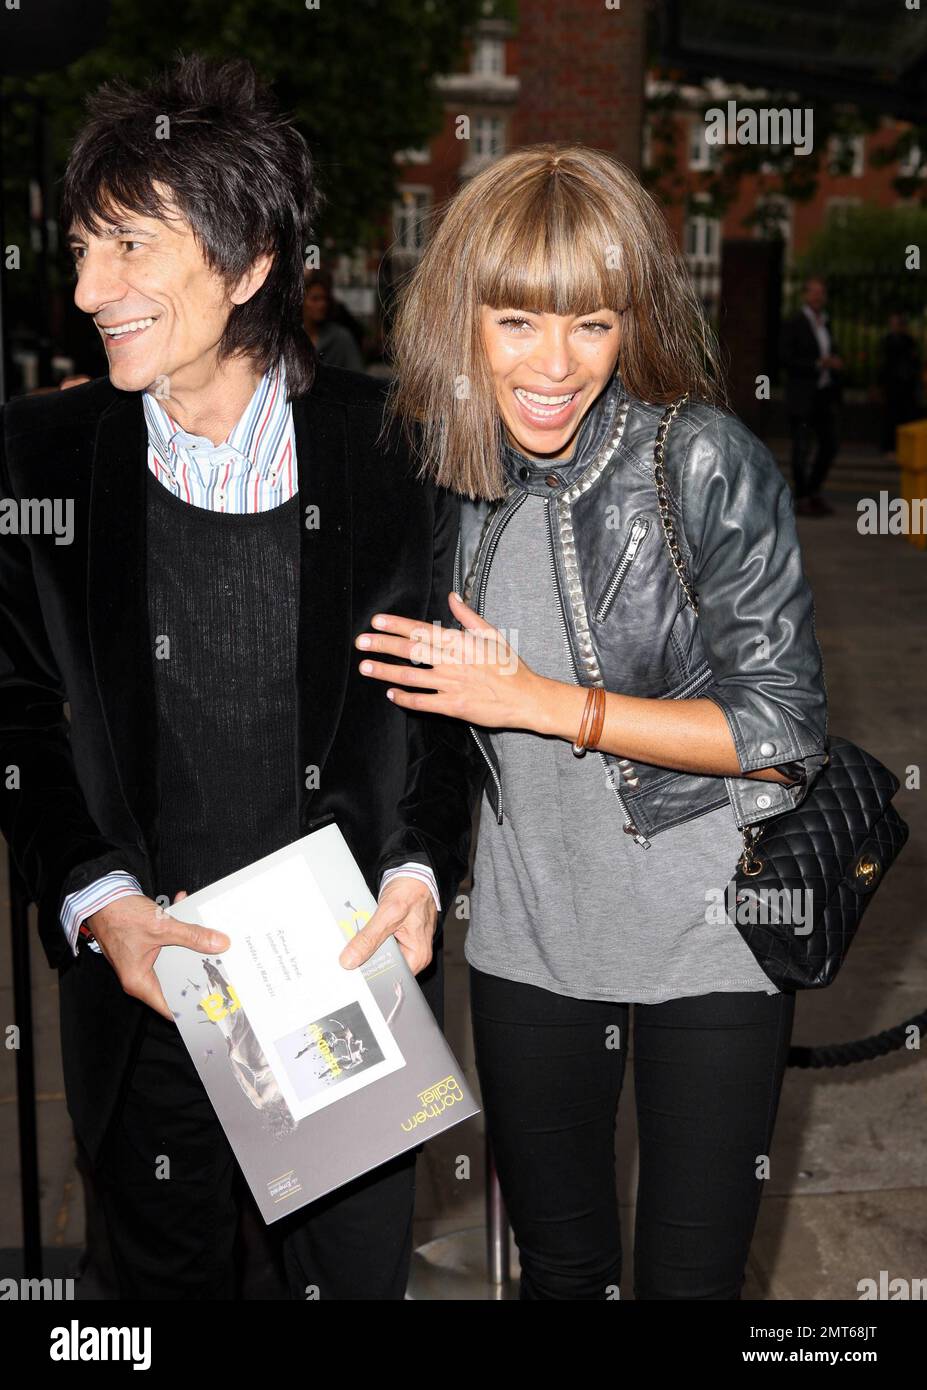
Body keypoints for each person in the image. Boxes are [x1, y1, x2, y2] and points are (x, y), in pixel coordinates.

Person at [0, 55, 473, 1300]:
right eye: (84, 250)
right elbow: (17, 721)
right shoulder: (40, 459)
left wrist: (421, 872)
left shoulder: (396, 454)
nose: (90, 287)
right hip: (153, 994)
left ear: (250, 260)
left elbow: (442, 712)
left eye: (130, 250)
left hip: (341, 994)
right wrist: (100, 901)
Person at [353, 144, 829, 1300]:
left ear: (633, 321)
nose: (553, 367)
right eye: (516, 322)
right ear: (464, 313)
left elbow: (784, 727)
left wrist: (548, 705)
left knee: (690, 1281)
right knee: (559, 1272)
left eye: (592, 325)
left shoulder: (702, 459)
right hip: (526, 941)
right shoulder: (443, 470)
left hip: (708, 937)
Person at [779, 275, 843, 516]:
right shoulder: (794, 323)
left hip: (823, 395)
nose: (818, 296)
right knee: (802, 448)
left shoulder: (825, 322)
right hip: (801, 396)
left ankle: (814, 491)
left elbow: (830, 349)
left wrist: (835, 361)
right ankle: (803, 497)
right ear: (805, 295)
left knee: (830, 445)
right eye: (814, 292)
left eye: (822, 292)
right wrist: (818, 363)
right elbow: (785, 358)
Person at [303, 270, 365, 370]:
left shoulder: (341, 338)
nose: (321, 305)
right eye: (315, 299)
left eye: (325, 299)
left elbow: (357, 374)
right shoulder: (291, 338)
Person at [878, 311, 921, 455]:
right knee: (891, 417)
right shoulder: (888, 340)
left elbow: (914, 362)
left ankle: (903, 448)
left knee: (905, 417)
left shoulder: (908, 341)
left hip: (905, 386)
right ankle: (890, 447)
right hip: (893, 385)